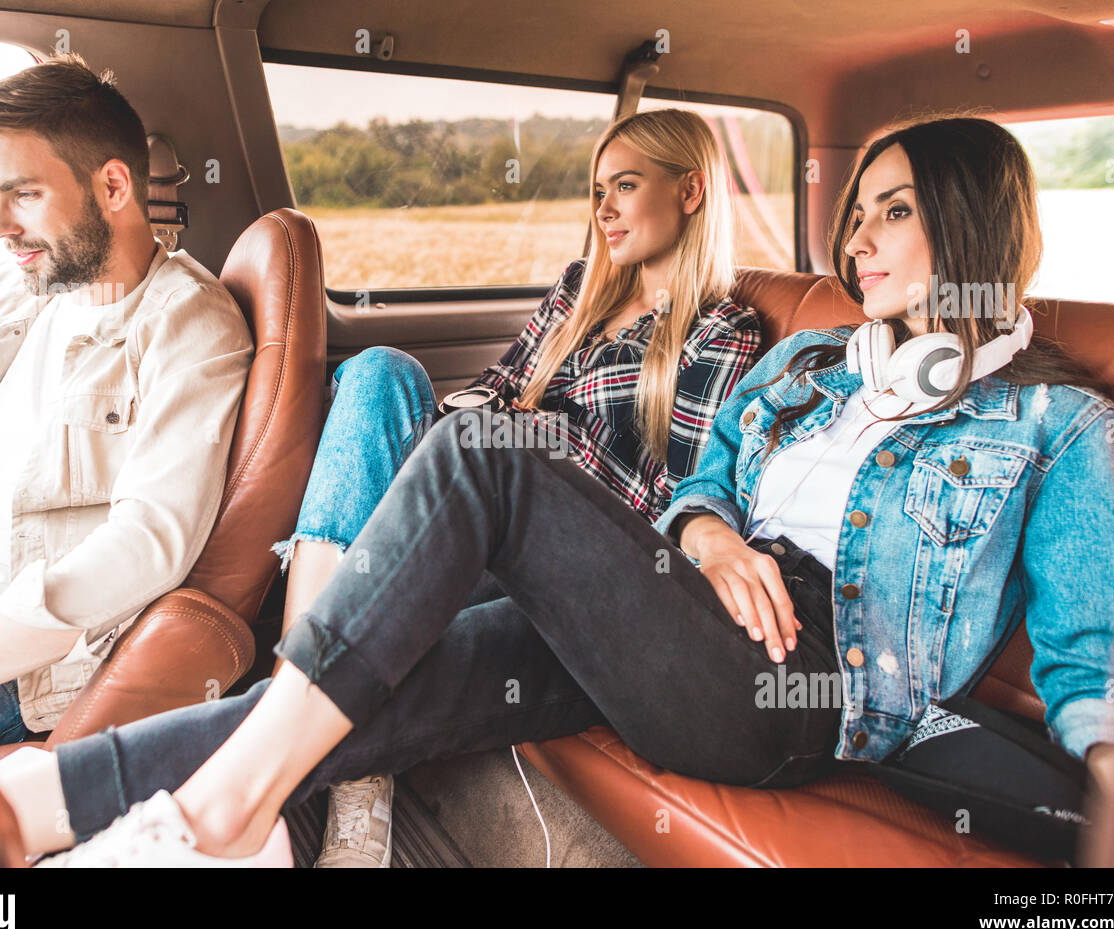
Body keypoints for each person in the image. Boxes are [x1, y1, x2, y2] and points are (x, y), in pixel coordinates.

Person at [0, 114, 1114, 867]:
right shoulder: (810, 366)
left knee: (487, 453)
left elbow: (1096, 660)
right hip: (687, 614)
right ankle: (39, 805)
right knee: (407, 678)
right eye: (859, 210)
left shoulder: (1057, 423)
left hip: (806, 683)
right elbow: (708, 477)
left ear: (977, 217)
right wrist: (703, 532)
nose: (858, 237)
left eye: (894, 209)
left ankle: (221, 811)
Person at [260, 107, 761, 865]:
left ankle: (326, 761)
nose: (602, 210)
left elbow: (675, 501)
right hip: (475, 488)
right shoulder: (576, 292)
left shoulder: (721, 332)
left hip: (552, 547)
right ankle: (293, 699)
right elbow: (494, 390)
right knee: (378, 371)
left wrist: (531, 443)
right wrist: (481, 432)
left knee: (429, 518)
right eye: (597, 190)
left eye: (624, 186)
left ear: (690, 191)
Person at [0, 53, 253, 746]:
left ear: (111, 185)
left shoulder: (186, 324)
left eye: (23, 194)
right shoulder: (22, 291)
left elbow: (147, 542)